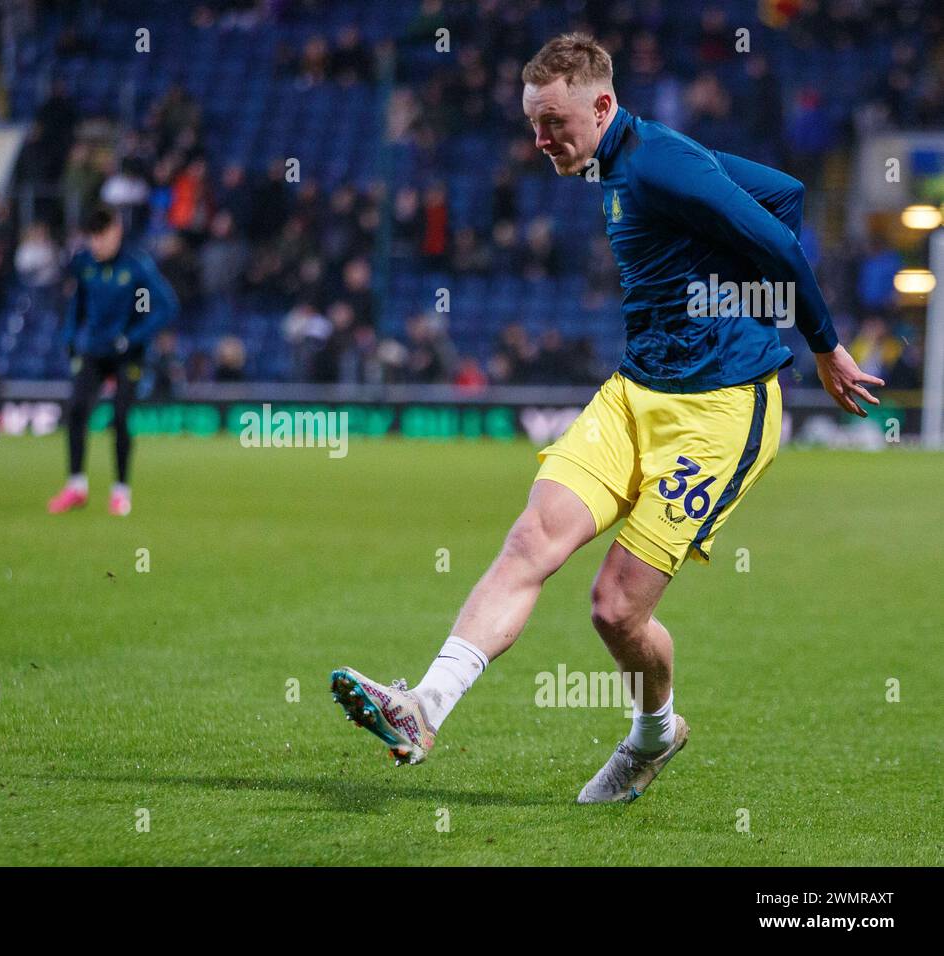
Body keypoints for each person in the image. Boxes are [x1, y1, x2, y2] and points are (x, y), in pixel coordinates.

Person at [330, 33, 884, 804]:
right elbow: (783, 189)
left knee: (615, 610)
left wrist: (824, 348)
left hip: (721, 410)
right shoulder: (615, 159)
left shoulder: (660, 163)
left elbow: (780, 238)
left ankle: (652, 736)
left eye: (553, 122)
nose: (539, 139)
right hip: (633, 393)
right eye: (531, 123)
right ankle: (423, 709)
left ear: (602, 104)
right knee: (531, 538)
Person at [48, 206, 179, 517]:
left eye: (102, 236)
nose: (97, 244)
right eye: (92, 237)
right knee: (77, 410)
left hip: (127, 355)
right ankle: (76, 486)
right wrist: (69, 337)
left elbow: (167, 307)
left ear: (116, 232)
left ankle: (121, 492)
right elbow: (76, 305)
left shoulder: (137, 266)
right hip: (94, 350)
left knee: (120, 417)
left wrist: (132, 338)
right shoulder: (84, 265)